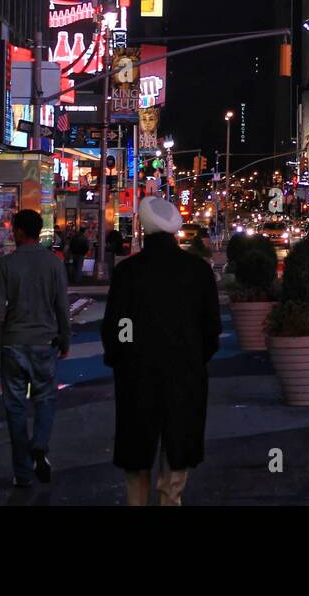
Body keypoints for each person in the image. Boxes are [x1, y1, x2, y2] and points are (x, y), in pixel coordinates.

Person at [102, 197, 221, 506]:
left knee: (137, 454)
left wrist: (124, 354)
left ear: (143, 228)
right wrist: (194, 354)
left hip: (137, 373)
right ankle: (171, 498)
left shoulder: (129, 272)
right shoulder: (198, 271)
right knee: (177, 450)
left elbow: (120, 323)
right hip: (184, 372)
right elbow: (211, 329)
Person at [0, 208, 71, 488]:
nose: (12, 232)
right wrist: (65, 339)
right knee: (45, 398)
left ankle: (22, 472)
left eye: (14, 228)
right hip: (44, 342)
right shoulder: (54, 263)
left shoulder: (7, 264)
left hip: (13, 343)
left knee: (14, 406)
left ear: (21, 232)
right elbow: (62, 307)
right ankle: (40, 444)